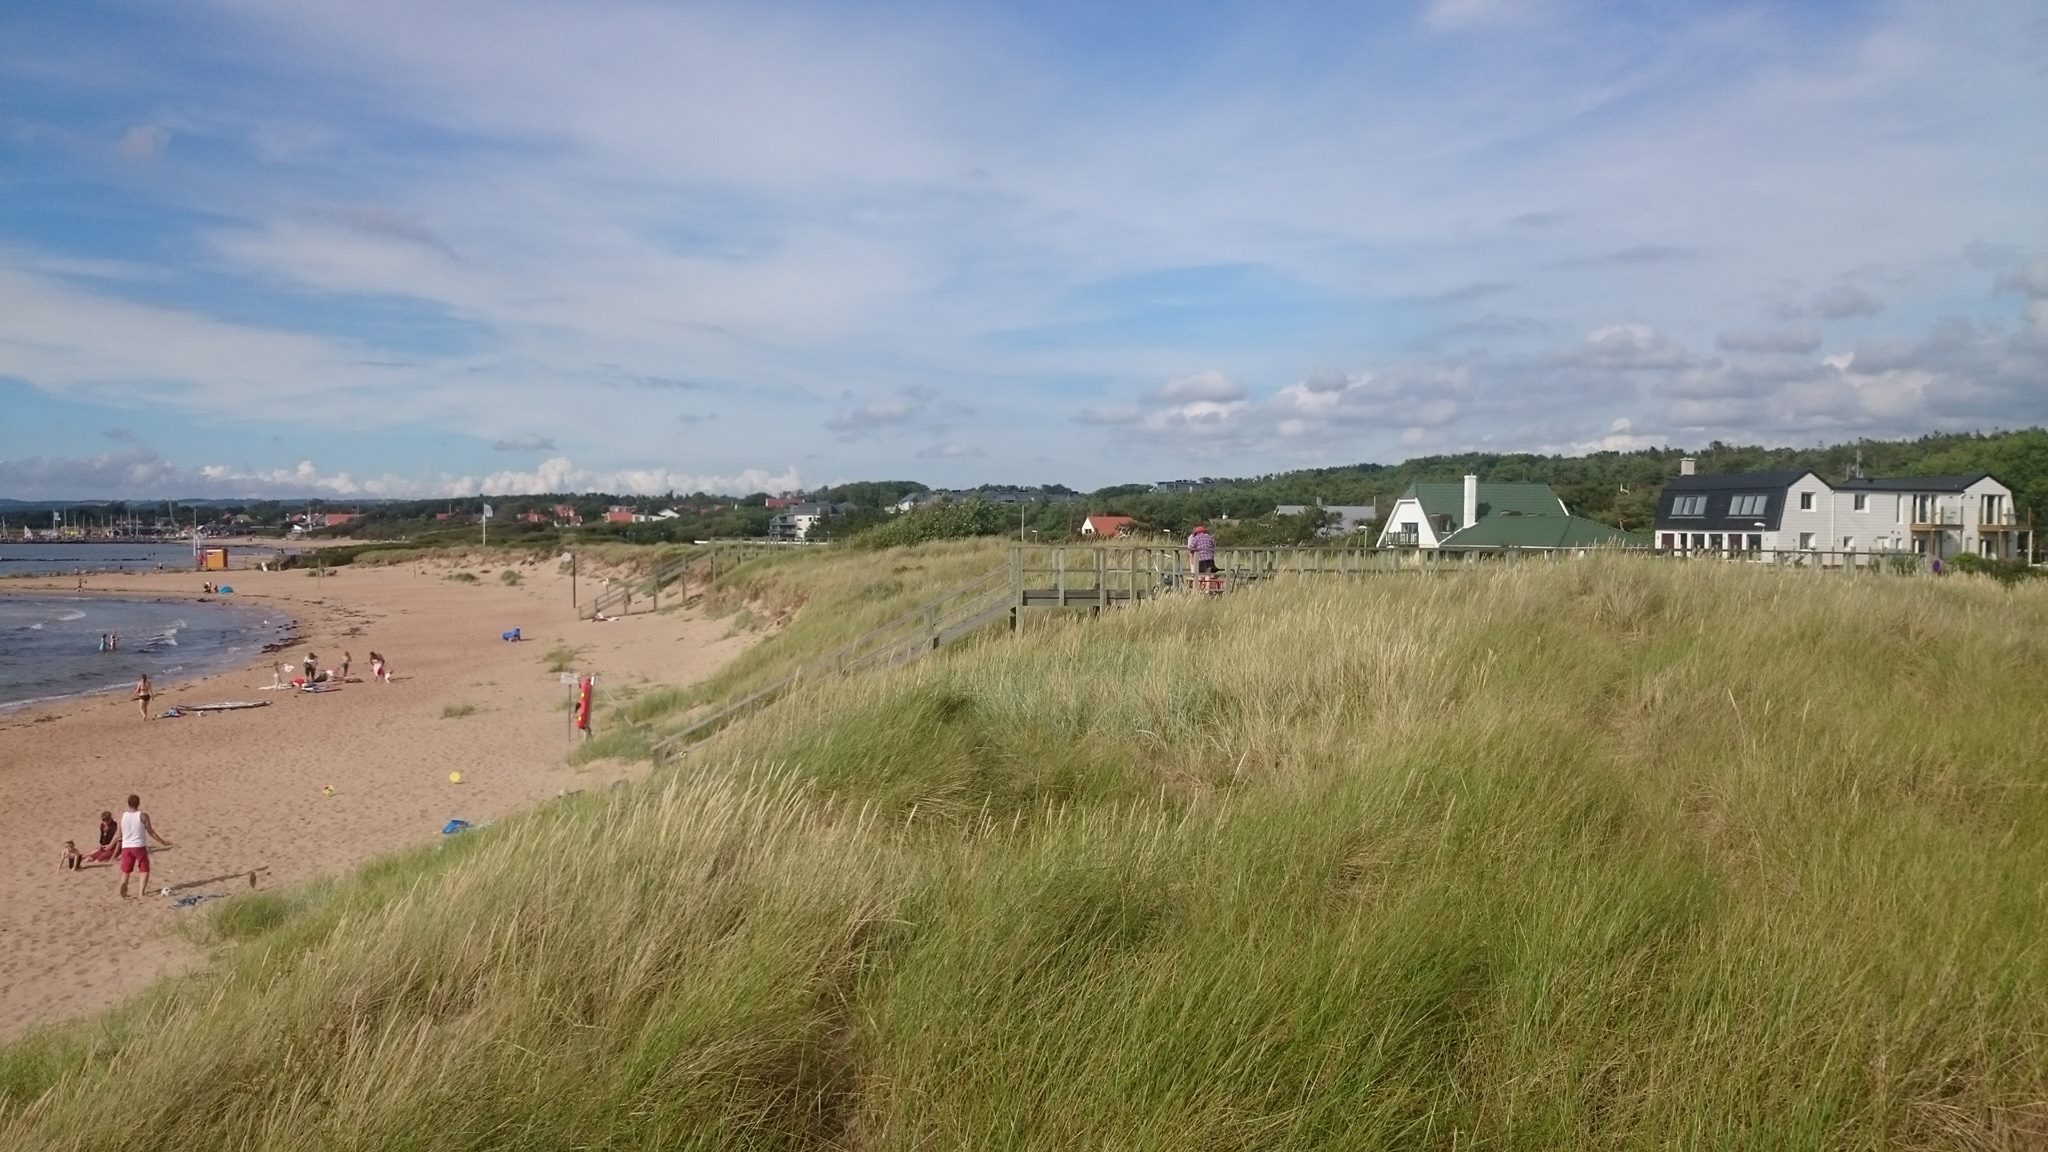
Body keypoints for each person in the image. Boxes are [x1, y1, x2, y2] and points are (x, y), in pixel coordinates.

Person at [115, 793, 172, 898]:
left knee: (125, 871)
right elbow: (151, 831)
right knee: (144, 869)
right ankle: (141, 893)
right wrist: (163, 842)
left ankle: (124, 892)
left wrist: (111, 848)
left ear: (128, 804)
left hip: (126, 847)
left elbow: (119, 835)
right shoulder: (143, 816)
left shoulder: (122, 817)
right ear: (138, 803)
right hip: (138, 846)